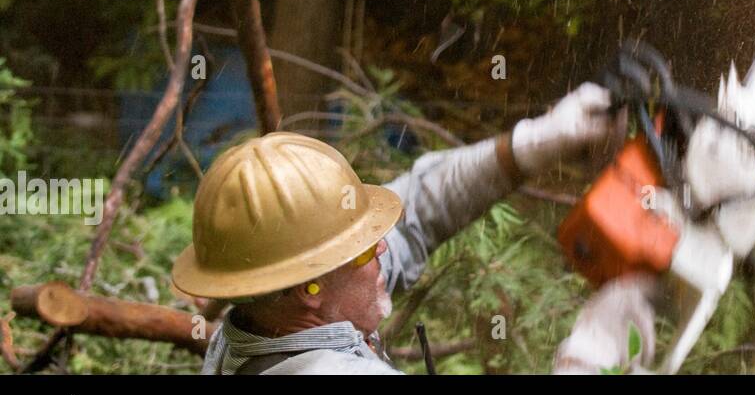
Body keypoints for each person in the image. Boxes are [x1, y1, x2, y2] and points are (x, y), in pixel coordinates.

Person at [172, 83, 651, 374]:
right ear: (308, 288)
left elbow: (420, 207)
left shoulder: (255, 326)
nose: (382, 245)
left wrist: (536, 141)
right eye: (360, 249)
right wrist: (592, 362)